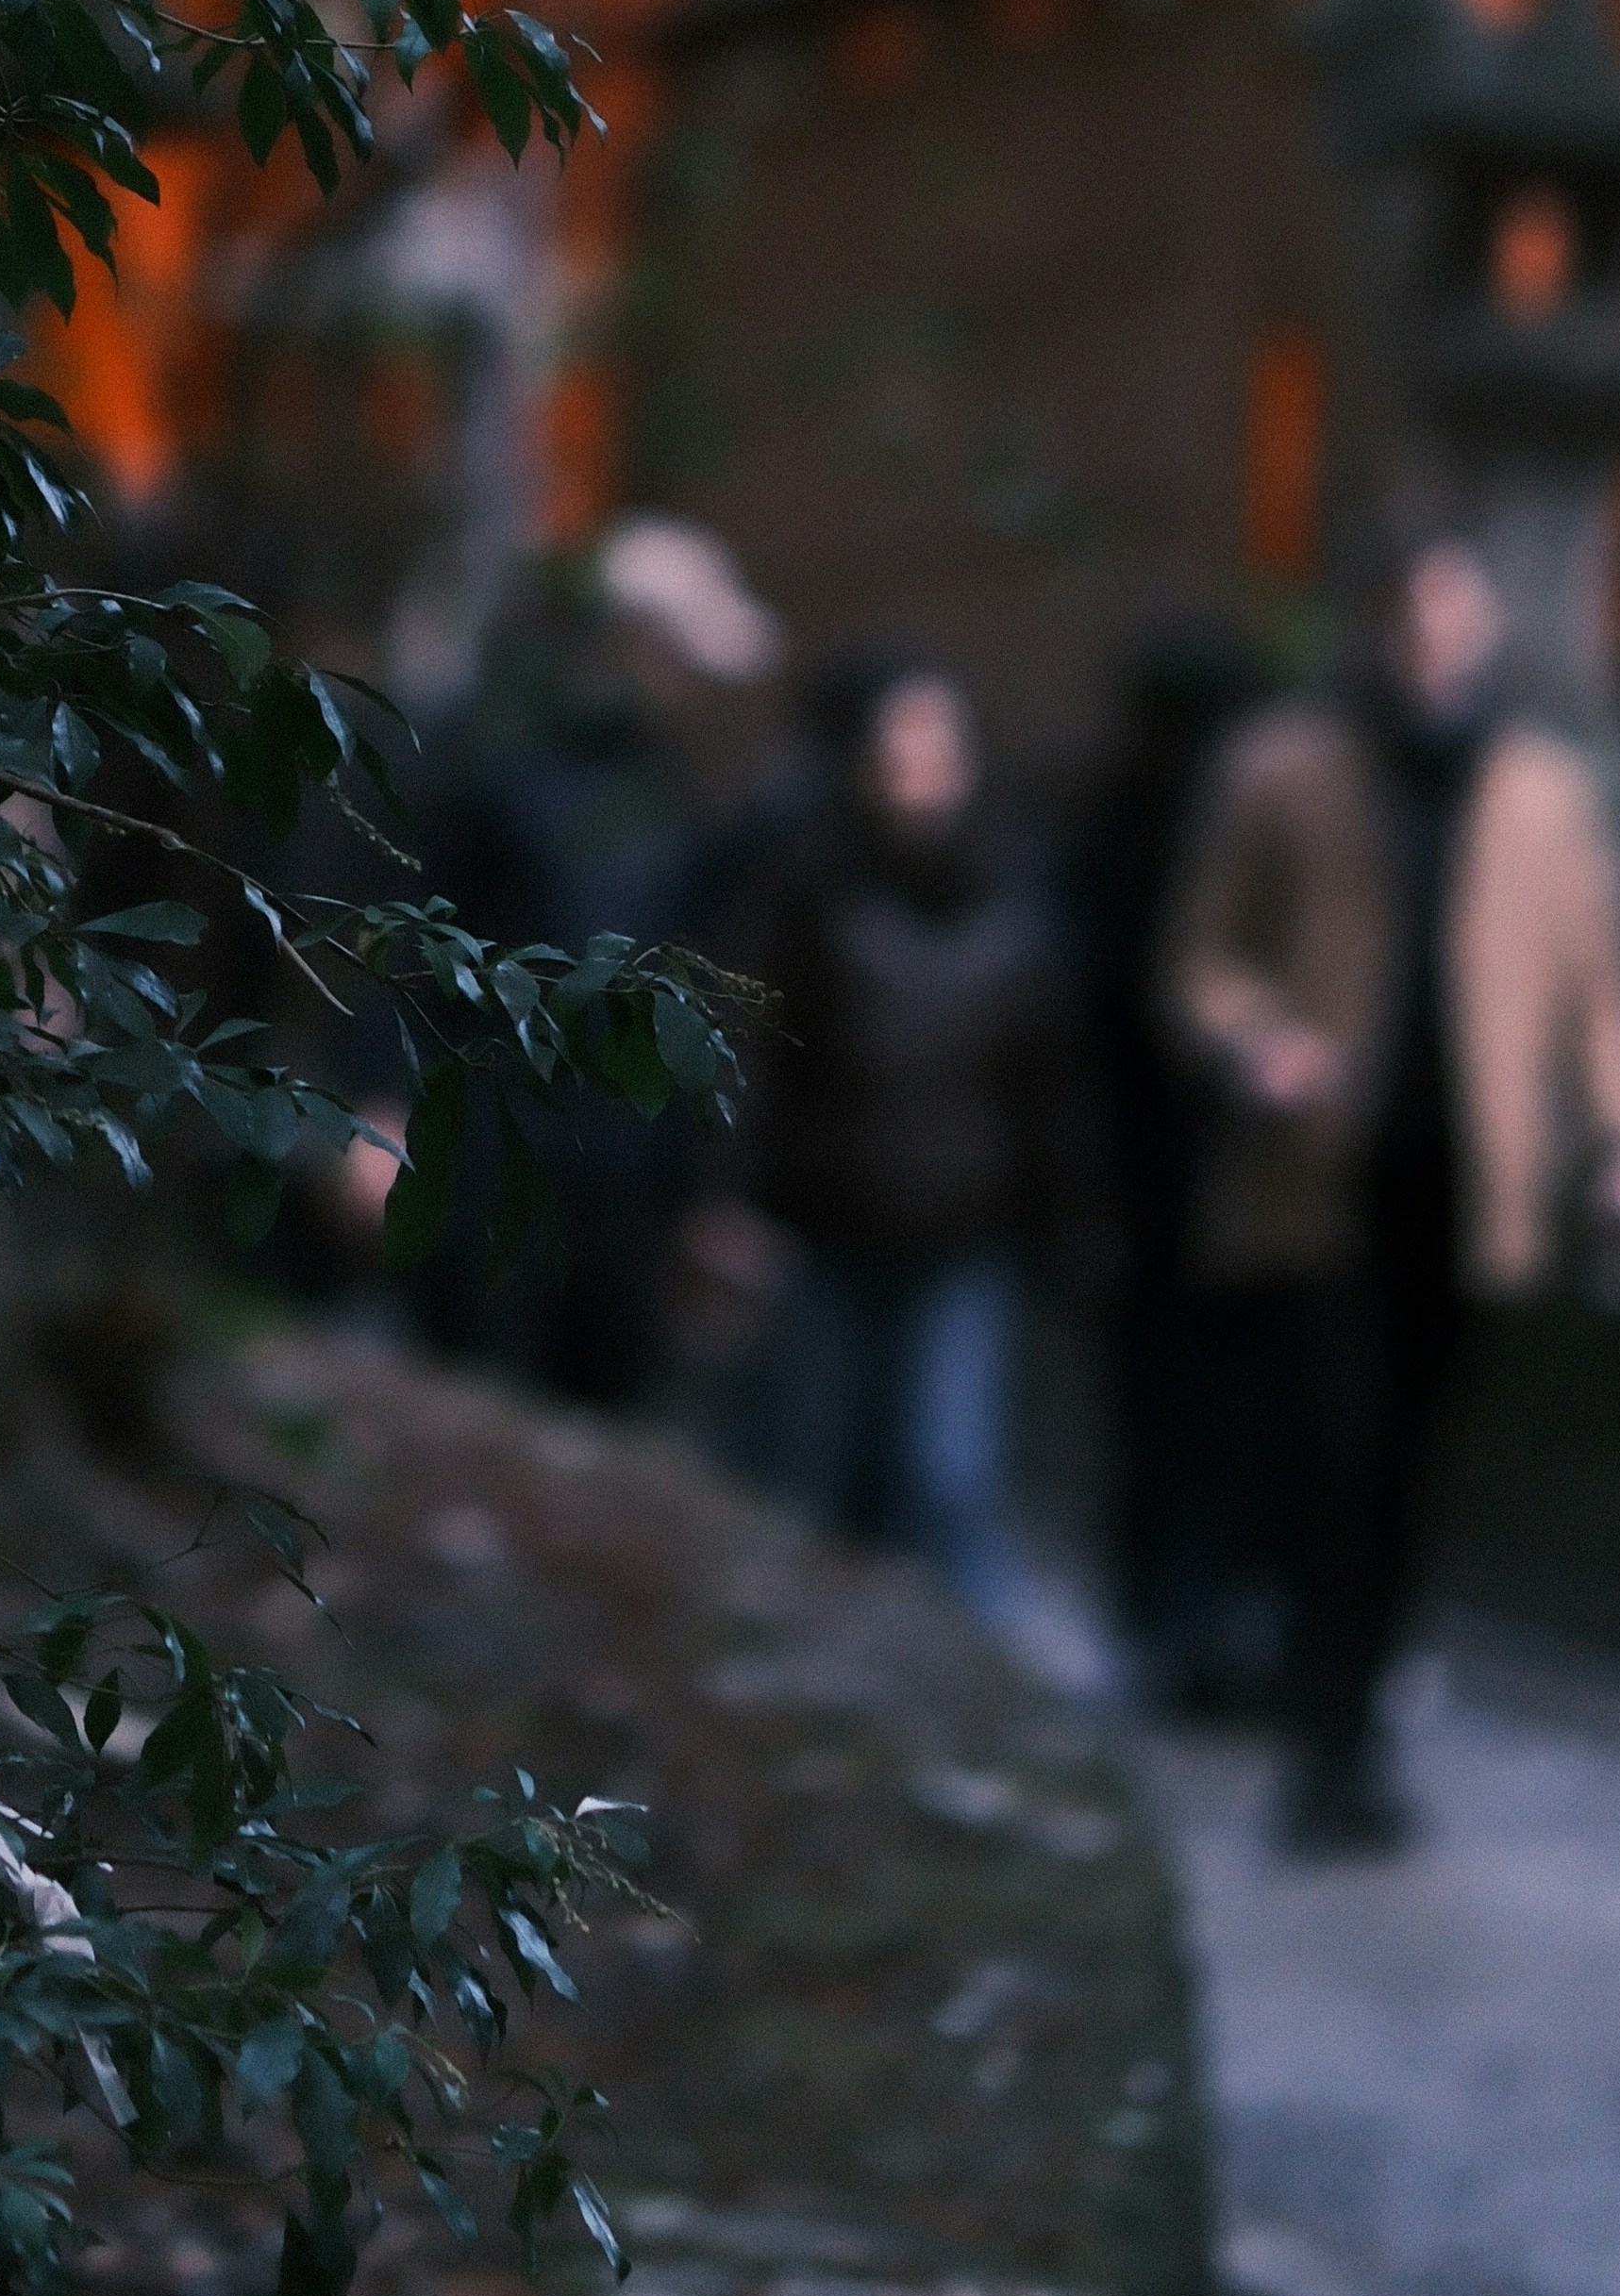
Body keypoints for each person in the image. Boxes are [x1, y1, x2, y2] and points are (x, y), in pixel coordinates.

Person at [1166, 531, 1620, 1852]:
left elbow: (1598, 991)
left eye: (1455, 611)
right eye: (1410, 611)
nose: (1432, 639)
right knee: (1334, 1456)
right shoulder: (1284, 771)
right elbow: (1199, 960)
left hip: (1476, 1191)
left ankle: (1361, 1708)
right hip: (1323, 1180)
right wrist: (1257, 1041)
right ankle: (1326, 1738)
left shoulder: (1539, 793)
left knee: (1412, 1467)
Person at [366, 515, 778, 1411]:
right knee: (482, 1398)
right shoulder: (500, 762)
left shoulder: (671, 793)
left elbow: (694, 993)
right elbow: (411, 936)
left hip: (623, 1170)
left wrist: (710, 1188)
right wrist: (378, 1105)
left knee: (602, 1406)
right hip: (494, 1145)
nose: (694, 690)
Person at [694, 651, 1074, 1620]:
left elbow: (1049, 1075)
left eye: (936, 743)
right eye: (897, 743)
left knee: (946, 1473)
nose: (917, 765)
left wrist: (1066, 1220)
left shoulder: (1017, 890)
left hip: (962, 1223)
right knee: (809, 1473)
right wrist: (727, 1192)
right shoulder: (807, 884)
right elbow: (746, 1045)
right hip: (826, 1215)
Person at [1058, 616, 1284, 1712]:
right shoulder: (1127, 851)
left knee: (1190, 1420)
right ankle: (1187, 1623)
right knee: (1183, 1417)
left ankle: (1189, 1622)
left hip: (1207, 1184)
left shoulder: (1139, 845)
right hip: (1169, 1184)